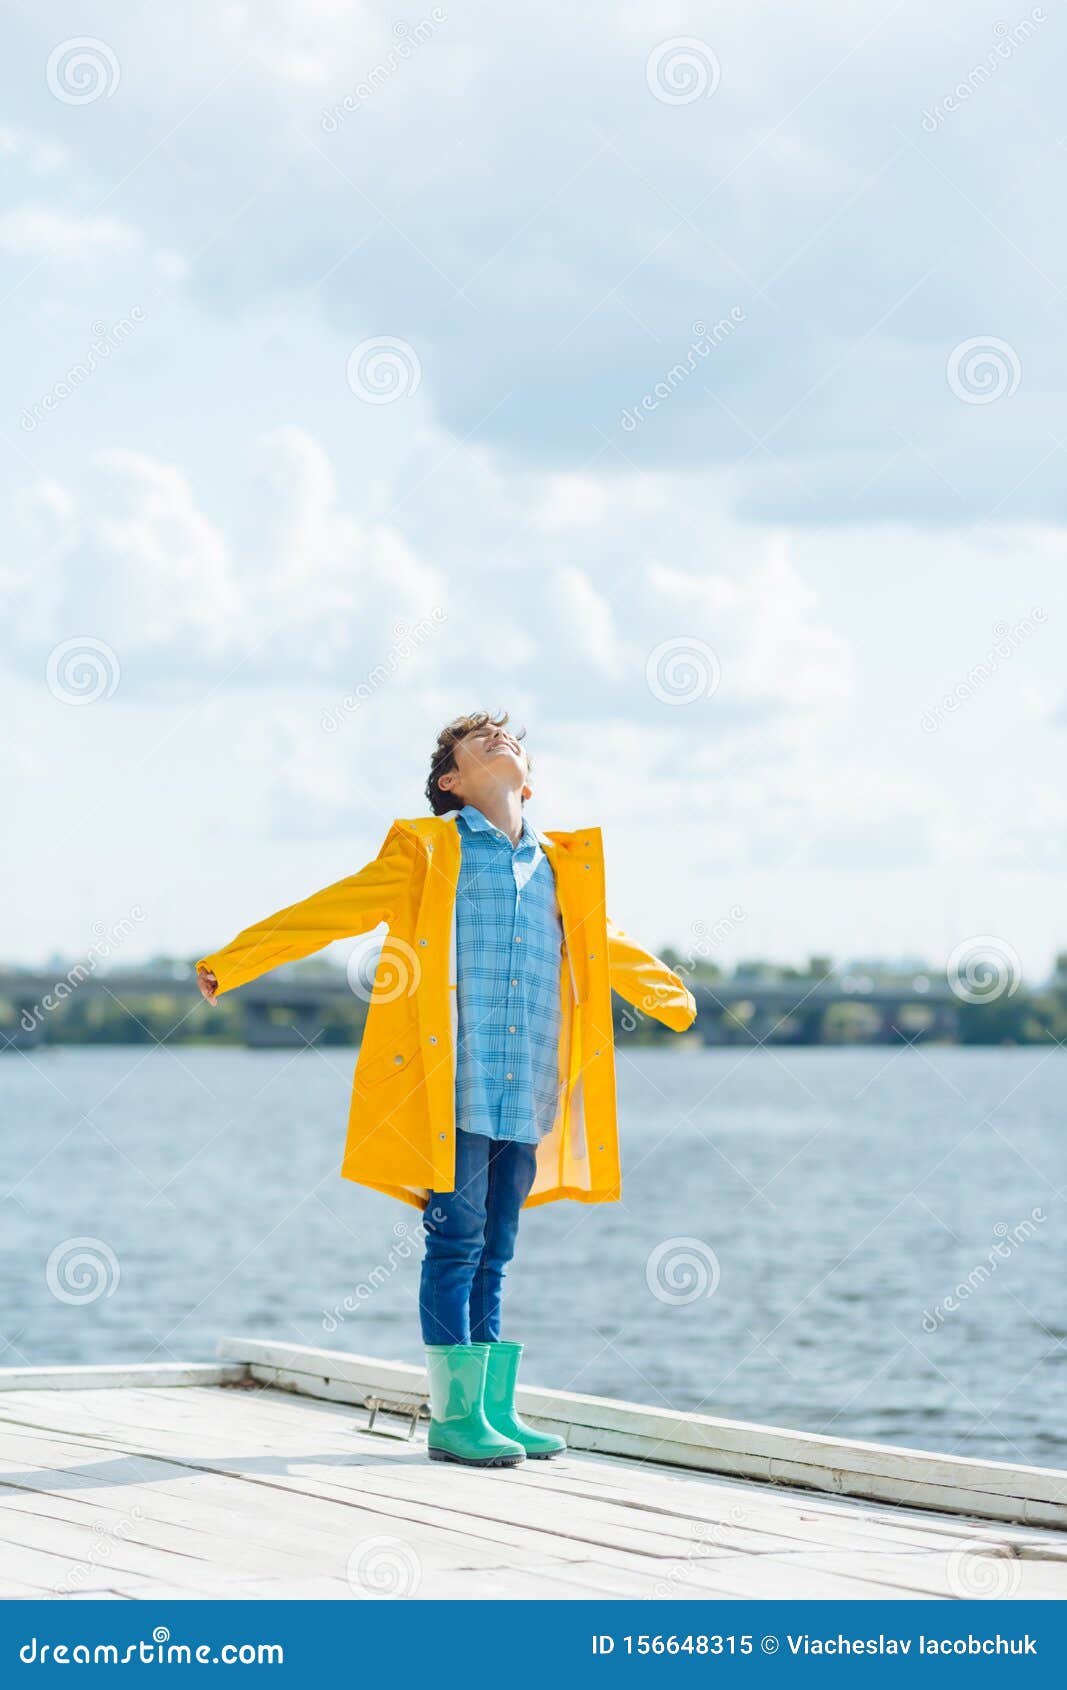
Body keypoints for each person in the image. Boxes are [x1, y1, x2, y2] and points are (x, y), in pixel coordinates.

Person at [196, 710, 696, 1467]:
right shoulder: (430, 851)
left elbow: (607, 946)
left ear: (529, 775)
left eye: (512, 738)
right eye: (477, 740)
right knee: (455, 1242)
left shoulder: (561, 866)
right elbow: (332, 909)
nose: (501, 741)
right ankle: (455, 1419)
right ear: (451, 782)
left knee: (497, 1246)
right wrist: (234, 961)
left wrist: (670, 998)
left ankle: (493, 1409)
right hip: (451, 1088)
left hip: (528, 1085)